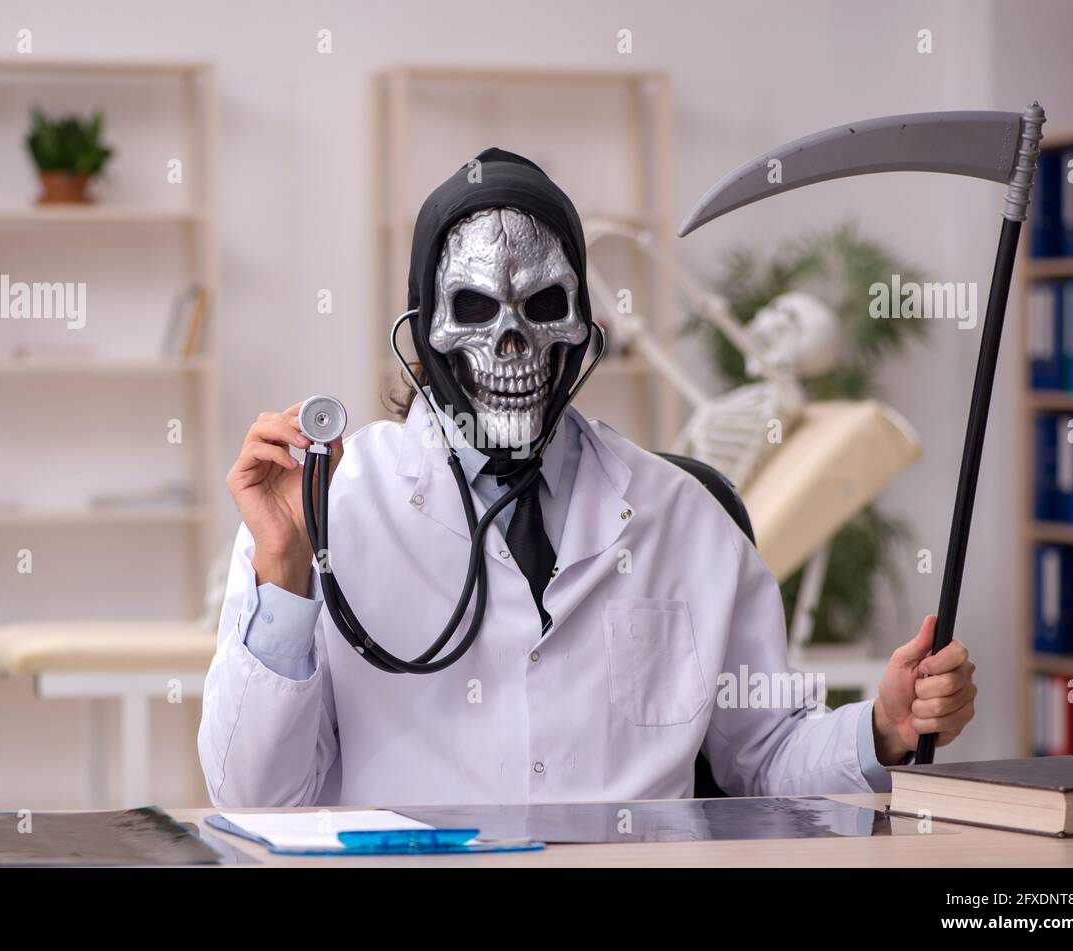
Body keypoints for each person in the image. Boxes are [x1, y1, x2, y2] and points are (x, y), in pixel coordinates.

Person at [198, 148, 976, 808]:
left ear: (581, 328)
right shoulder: (327, 509)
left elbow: (766, 756)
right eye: (474, 308)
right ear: (427, 331)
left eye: (542, 306)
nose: (511, 343)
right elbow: (255, 799)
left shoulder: (684, 515)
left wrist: (881, 726)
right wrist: (285, 571)